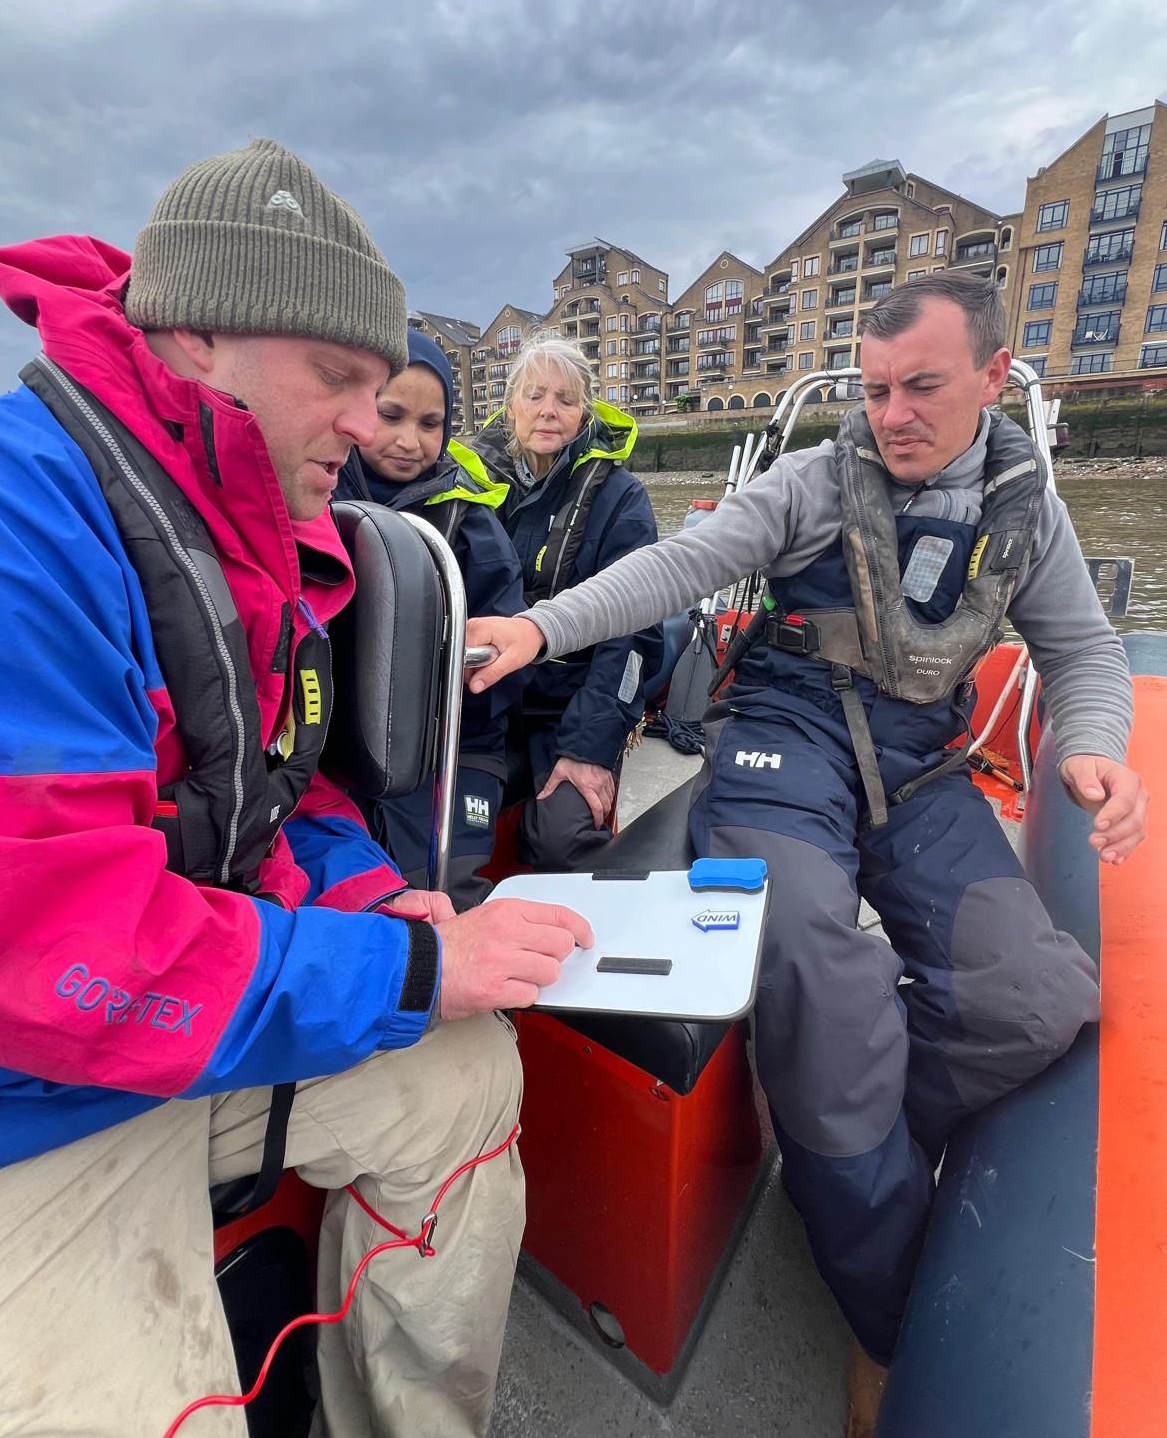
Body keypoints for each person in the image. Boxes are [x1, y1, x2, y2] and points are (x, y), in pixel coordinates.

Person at [0, 139, 592, 1438]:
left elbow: (281, 795)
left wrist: (384, 909)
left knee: (466, 1075)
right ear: (194, 339)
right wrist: (408, 977)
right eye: (338, 379)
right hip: (12, 1102)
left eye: (382, 388)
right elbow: (48, 948)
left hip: (170, 1034)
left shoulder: (253, 533)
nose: (372, 426)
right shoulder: (4, 525)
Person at [466, 274, 1147, 1431]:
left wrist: (1090, 751)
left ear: (993, 376)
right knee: (822, 980)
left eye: (922, 386)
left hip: (924, 765)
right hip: (786, 745)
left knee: (1038, 999)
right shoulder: (816, 481)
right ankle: (882, 1319)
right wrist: (541, 624)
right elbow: (676, 570)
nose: (892, 413)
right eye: (877, 389)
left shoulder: (1033, 510)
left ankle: (860, 1151)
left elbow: (1082, 654)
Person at [334, 327, 526, 909]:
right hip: (332, 744)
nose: (409, 440)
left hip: (455, 743)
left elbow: (502, 664)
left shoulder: (473, 528)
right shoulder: (311, 497)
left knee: (443, 889)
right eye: (390, 415)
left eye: (429, 423)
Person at [469, 334, 663, 869]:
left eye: (566, 399)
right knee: (446, 828)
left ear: (585, 412)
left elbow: (634, 633)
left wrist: (590, 750)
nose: (548, 411)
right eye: (534, 395)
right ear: (510, 407)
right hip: (487, 702)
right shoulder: (466, 489)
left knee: (560, 838)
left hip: (573, 706)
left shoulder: (621, 499)